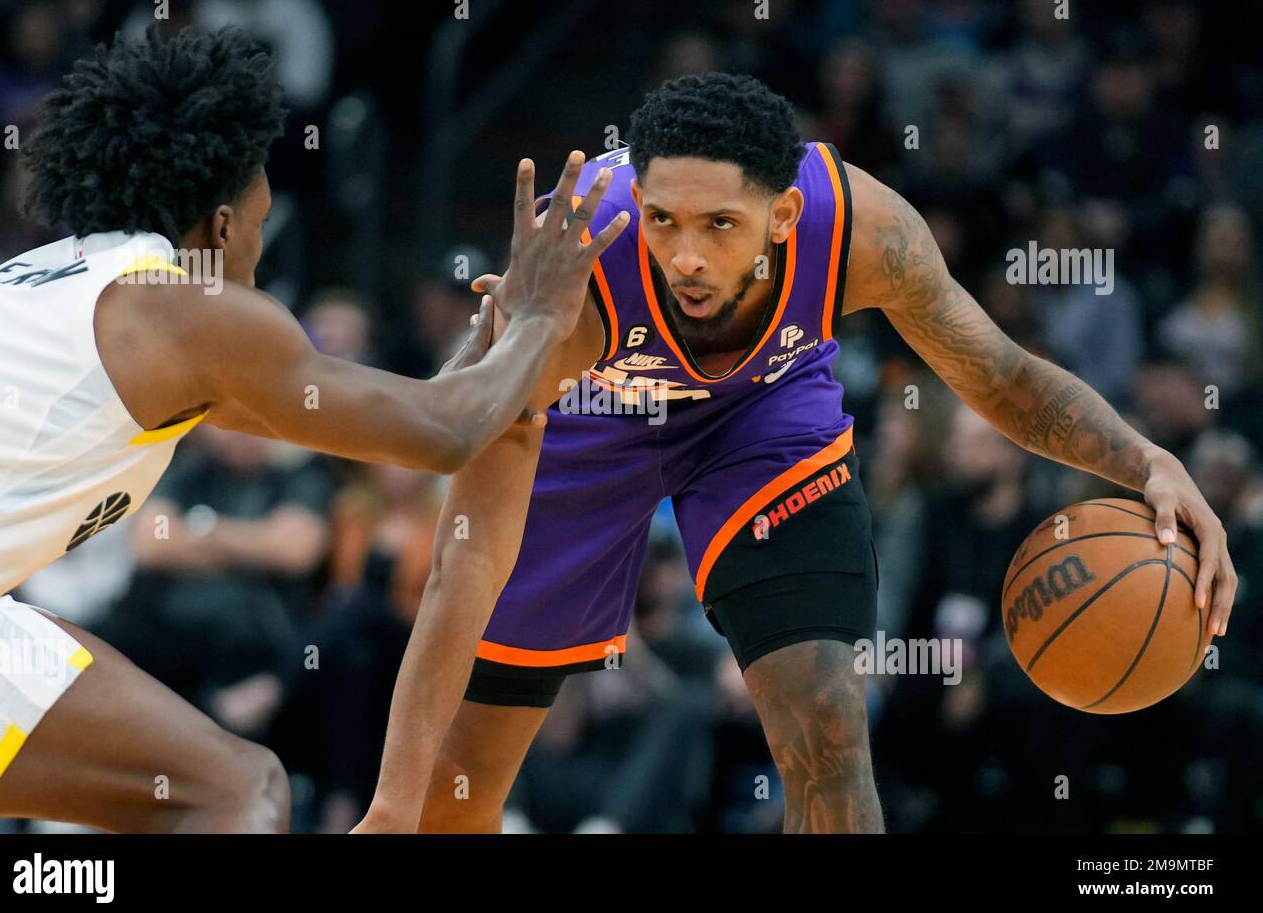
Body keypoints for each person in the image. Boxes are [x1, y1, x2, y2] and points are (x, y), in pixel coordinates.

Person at [357, 72, 1238, 834]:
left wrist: (1148, 462)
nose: (686, 257)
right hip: (586, 425)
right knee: (455, 793)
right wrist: (391, 806)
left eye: (719, 225)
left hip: (763, 418)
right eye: (662, 219)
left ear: (782, 214)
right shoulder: (574, 272)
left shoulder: (859, 228)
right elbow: (465, 561)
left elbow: (1000, 376)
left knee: (826, 720)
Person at [0, 23, 627, 831]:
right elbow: (446, 434)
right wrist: (541, 314)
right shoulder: (187, 311)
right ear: (216, 228)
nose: (257, 260)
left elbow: (416, 420)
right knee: (240, 793)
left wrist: (499, 333)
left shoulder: (60, 288)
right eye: (256, 226)